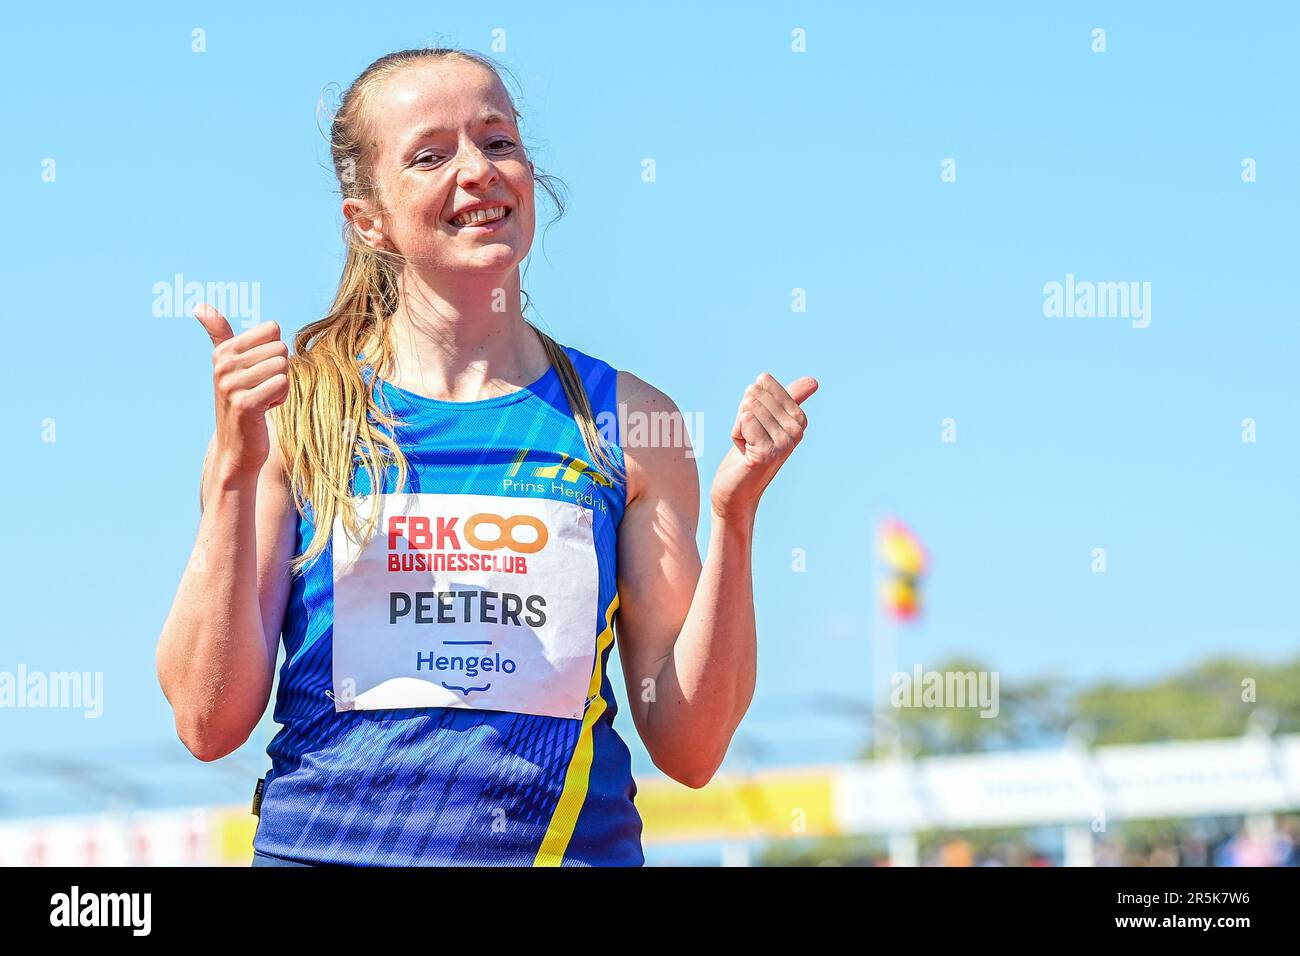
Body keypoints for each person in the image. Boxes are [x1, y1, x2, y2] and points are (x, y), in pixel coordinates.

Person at [156, 46, 817, 866]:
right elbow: (204, 721)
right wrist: (230, 472)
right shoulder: (295, 412)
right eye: (432, 155)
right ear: (368, 220)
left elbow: (692, 747)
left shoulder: (630, 421)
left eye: (498, 141)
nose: (479, 170)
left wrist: (736, 518)